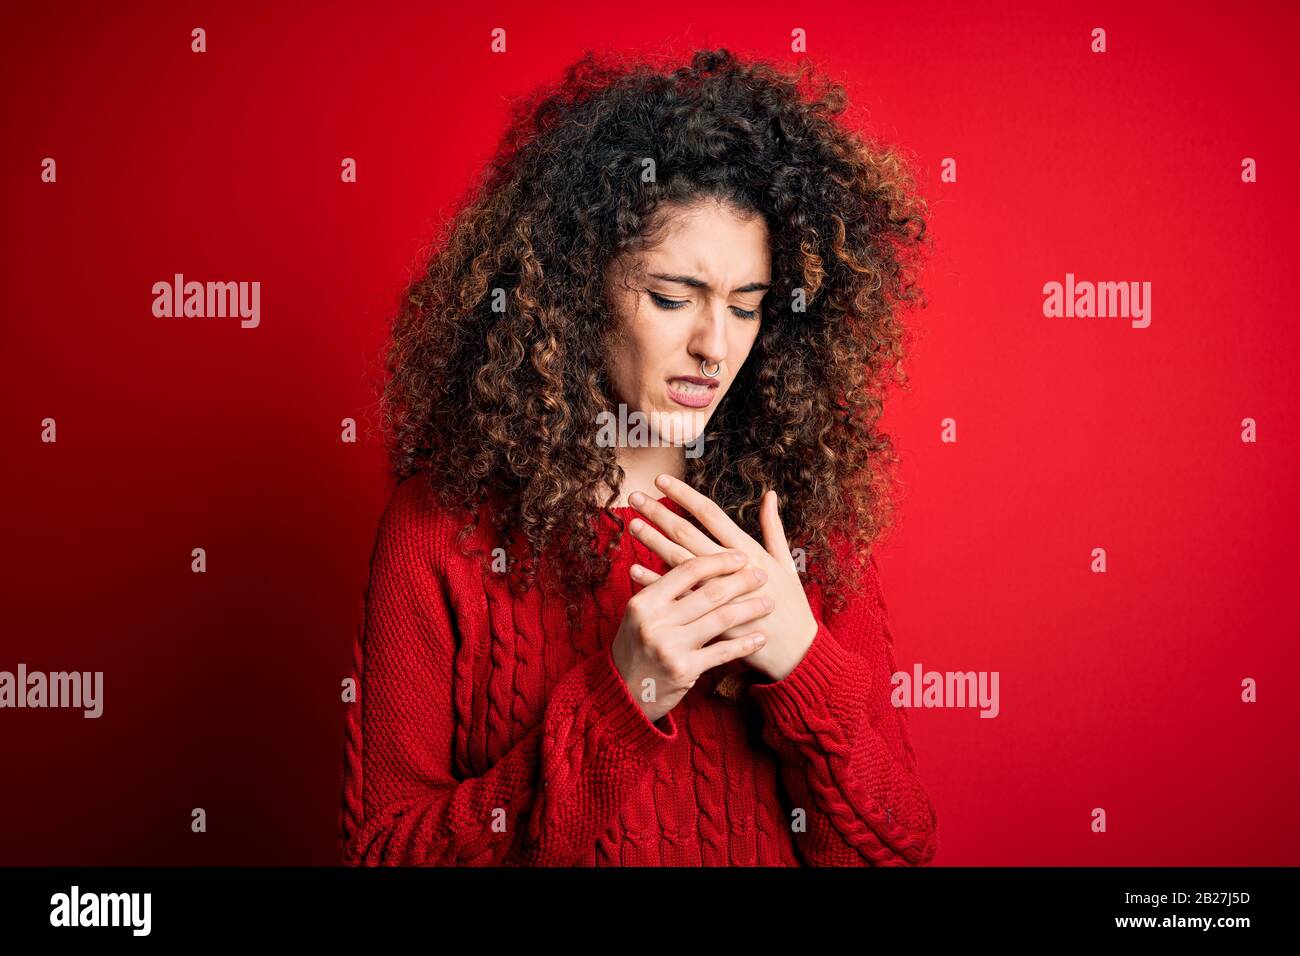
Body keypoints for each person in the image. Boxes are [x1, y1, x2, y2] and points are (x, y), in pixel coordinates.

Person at [339, 47, 938, 866]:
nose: (714, 347)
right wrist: (625, 697)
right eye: (670, 298)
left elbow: (895, 853)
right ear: (577, 287)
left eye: (747, 308)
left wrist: (799, 662)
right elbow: (384, 856)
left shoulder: (795, 521)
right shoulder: (441, 529)